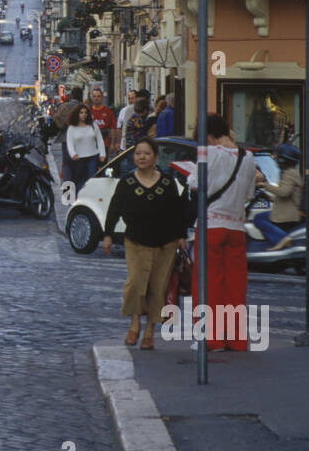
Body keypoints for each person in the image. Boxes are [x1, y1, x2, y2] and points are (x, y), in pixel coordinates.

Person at [101, 136, 188, 348]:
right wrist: (108, 234)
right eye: (138, 153)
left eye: (146, 153)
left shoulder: (167, 183)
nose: (141, 157)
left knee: (157, 287)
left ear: (156, 157)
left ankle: (149, 330)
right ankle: (134, 325)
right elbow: (114, 208)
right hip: (136, 241)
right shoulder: (127, 183)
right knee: (135, 285)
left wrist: (181, 236)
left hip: (165, 243)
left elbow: (177, 212)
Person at [185, 113, 258, 351]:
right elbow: (248, 194)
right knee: (235, 285)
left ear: (208, 134)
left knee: (208, 283)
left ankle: (210, 338)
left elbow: (194, 183)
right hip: (236, 226)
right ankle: (235, 339)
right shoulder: (248, 157)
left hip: (211, 225)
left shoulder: (209, 153)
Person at [254, 142, 304, 248]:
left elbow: (284, 192)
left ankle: (281, 239)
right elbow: (286, 196)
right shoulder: (288, 172)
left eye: (278, 157)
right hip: (286, 211)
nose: (276, 159)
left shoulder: (290, 173)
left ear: (284, 159)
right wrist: (269, 198)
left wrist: (264, 185)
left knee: (259, 218)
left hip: (289, 215)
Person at [65, 103, 106, 188]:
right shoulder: (72, 128)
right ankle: (79, 198)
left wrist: (102, 154)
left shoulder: (93, 125)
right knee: (80, 181)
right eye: (81, 112)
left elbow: (100, 140)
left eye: (85, 113)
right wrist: (73, 154)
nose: (83, 115)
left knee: (91, 180)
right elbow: (69, 143)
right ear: (77, 114)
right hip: (79, 158)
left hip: (93, 156)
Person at [89, 87, 118, 153]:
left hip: (104, 144)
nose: (96, 98)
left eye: (98, 96)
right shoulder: (87, 111)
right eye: (94, 96)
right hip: (91, 145)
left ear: (102, 98)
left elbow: (113, 128)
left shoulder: (108, 111)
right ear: (92, 98)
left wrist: (112, 144)